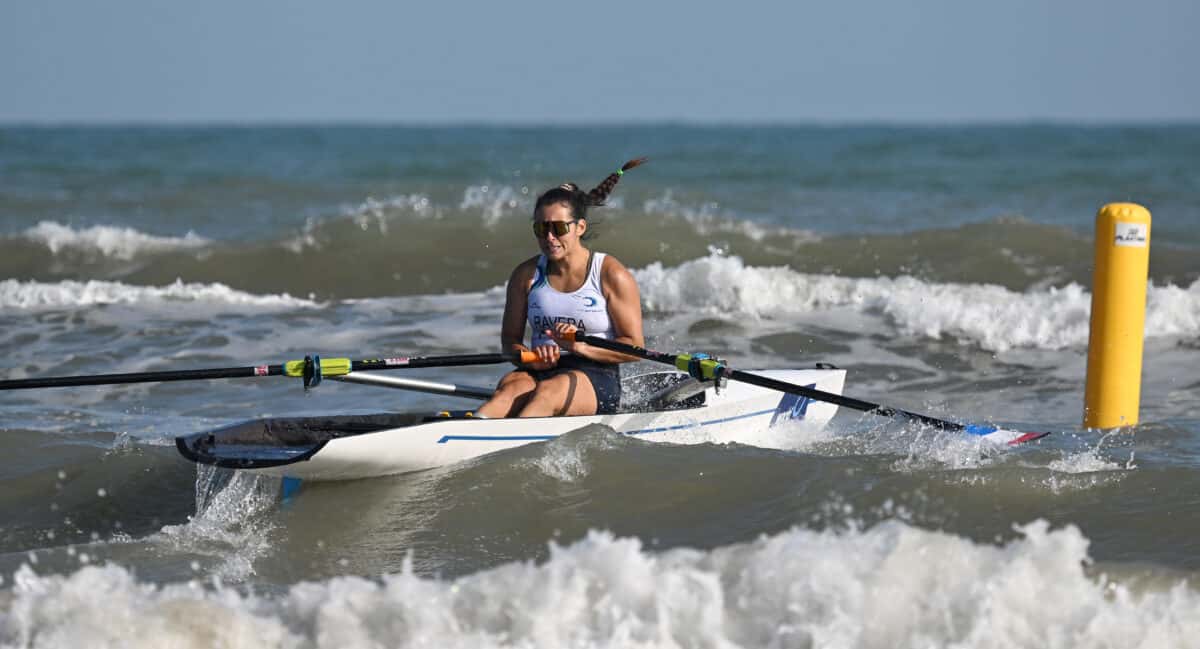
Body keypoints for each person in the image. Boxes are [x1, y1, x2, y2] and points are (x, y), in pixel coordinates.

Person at [474, 158, 647, 418]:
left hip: (595, 374)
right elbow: (510, 342)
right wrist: (528, 357)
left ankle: (505, 445)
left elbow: (634, 348)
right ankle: (470, 429)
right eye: (541, 228)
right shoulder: (526, 275)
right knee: (508, 389)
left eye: (558, 228)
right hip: (540, 368)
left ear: (579, 227)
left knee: (548, 392)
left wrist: (580, 346)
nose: (549, 237)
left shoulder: (611, 274)